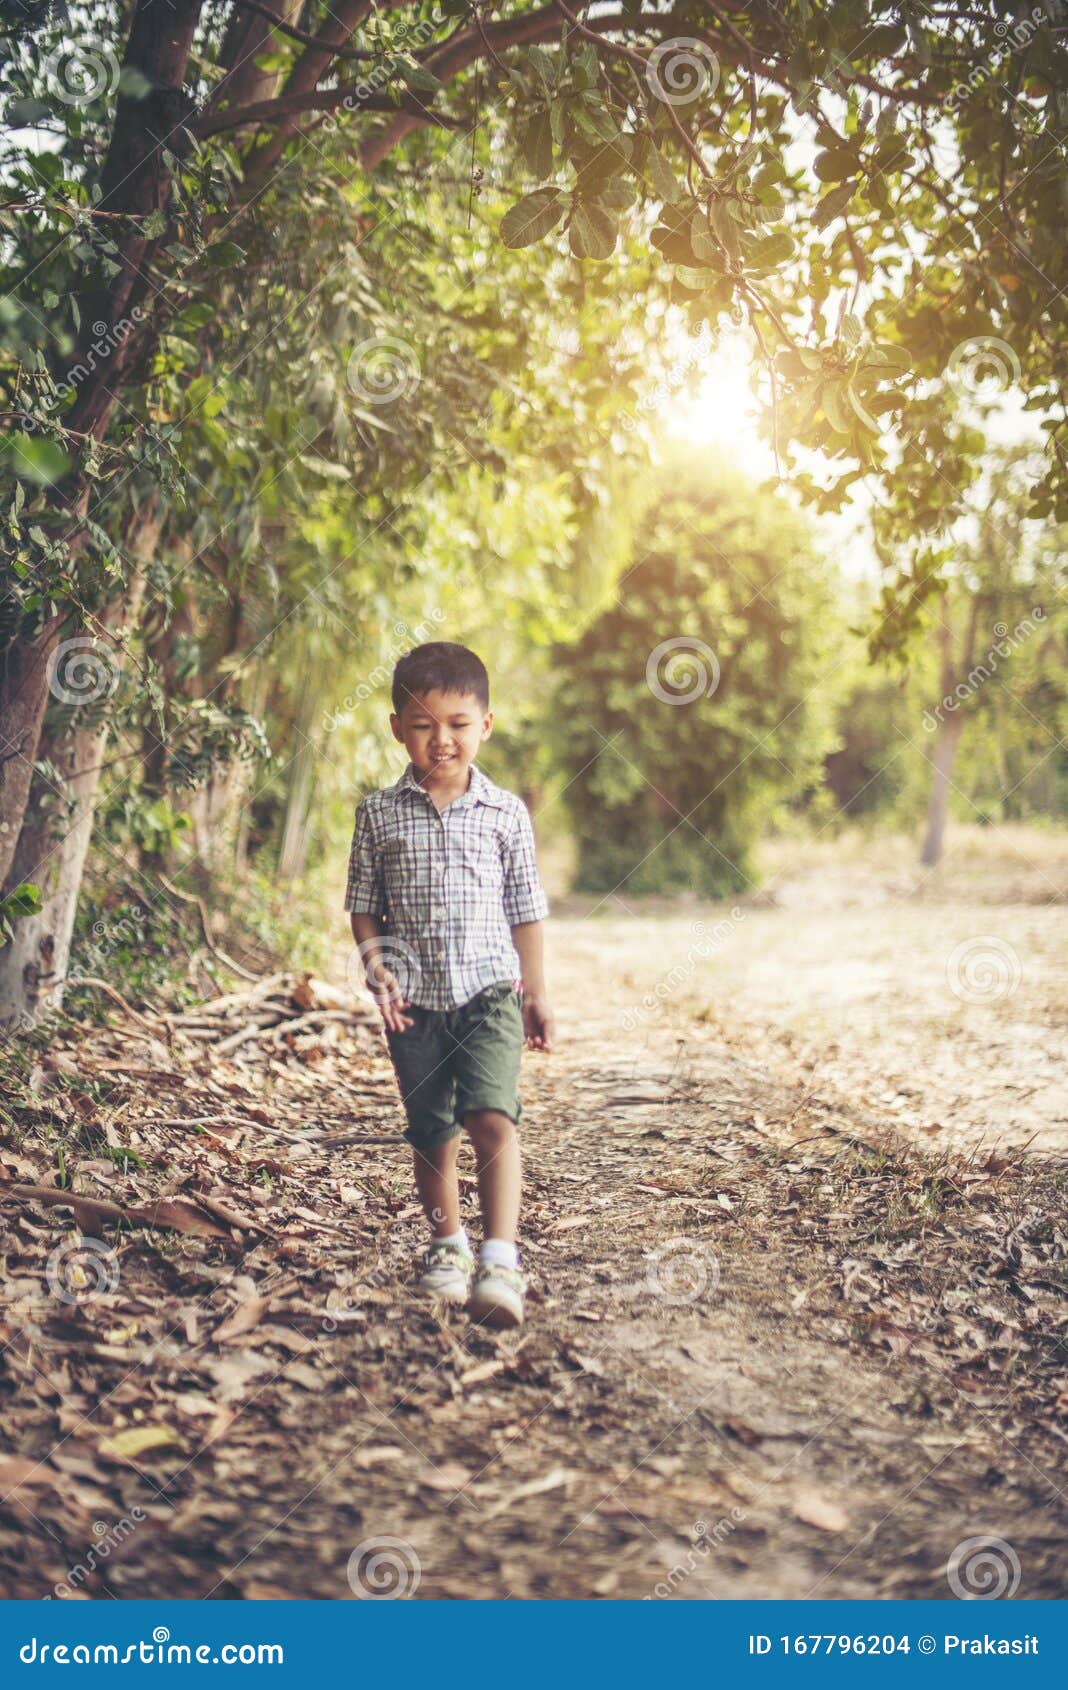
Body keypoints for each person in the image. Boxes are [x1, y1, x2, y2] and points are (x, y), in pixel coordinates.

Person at [344, 641, 554, 1328]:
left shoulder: (505, 814)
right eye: (425, 724)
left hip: (489, 991)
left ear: (485, 726)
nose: (442, 740)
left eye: (459, 724)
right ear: (398, 727)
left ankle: (500, 1257)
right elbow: (363, 907)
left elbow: (526, 910)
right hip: (413, 1003)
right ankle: (448, 1245)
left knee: (492, 1118)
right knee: (431, 1131)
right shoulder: (377, 814)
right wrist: (377, 964)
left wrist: (536, 992)